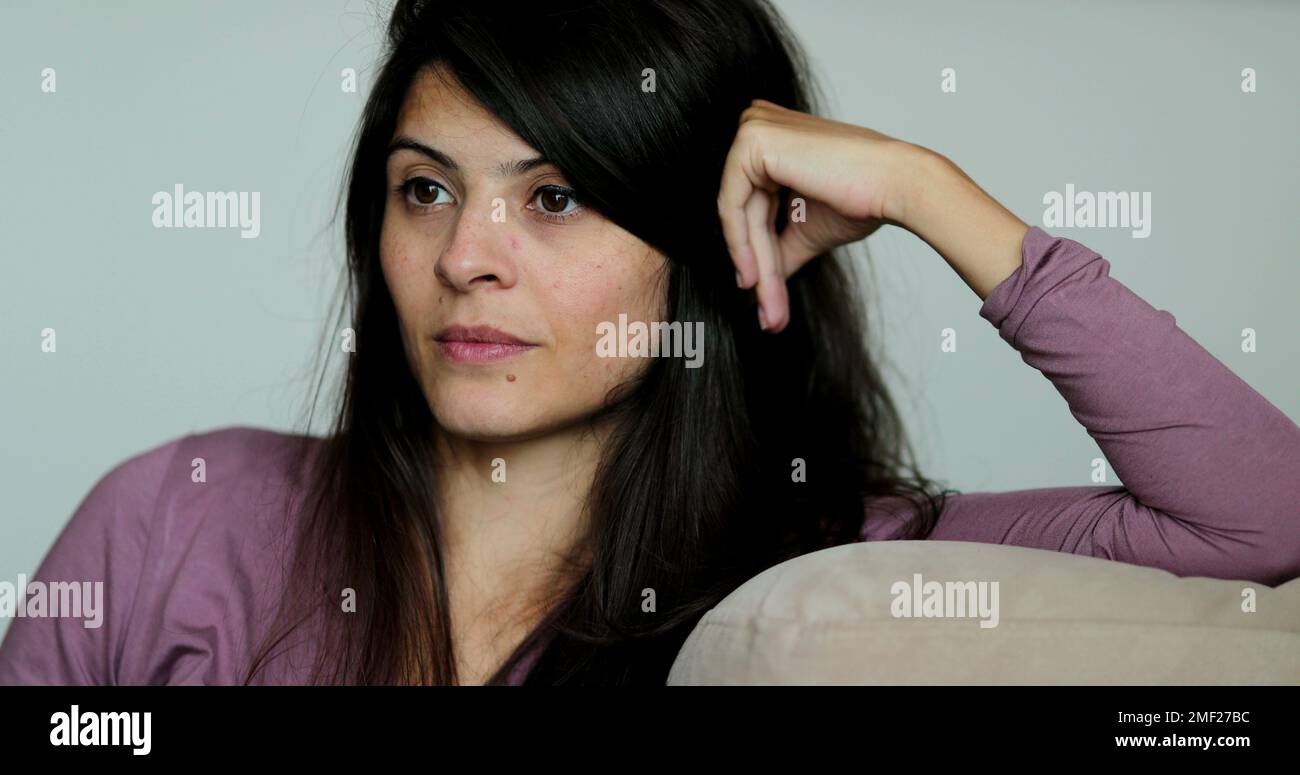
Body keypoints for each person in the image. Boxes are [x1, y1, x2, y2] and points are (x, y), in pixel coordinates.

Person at [2, 0, 1296, 686]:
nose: (467, 258)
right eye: (425, 189)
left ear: (706, 241)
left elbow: (1261, 526)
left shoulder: (838, 567)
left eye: (554, 198)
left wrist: (927, 191)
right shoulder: (176, 518)